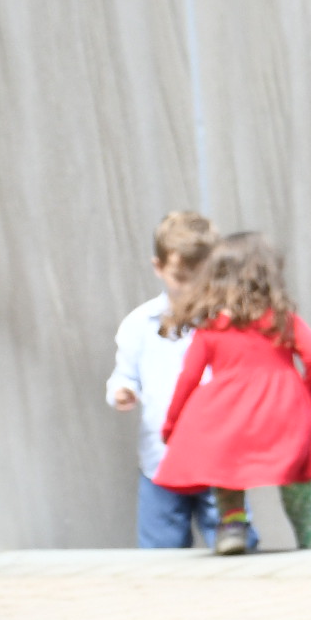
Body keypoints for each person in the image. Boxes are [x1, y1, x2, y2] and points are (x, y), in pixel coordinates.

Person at [156, 233, 311, 555]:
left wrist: (172, 425)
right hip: (284, 411)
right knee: (298, 490)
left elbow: (189, 377)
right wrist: (306, 399)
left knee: (225, 463)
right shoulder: (281, 318)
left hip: (229, 412)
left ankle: (233, 524)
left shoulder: (212, 327)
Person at [106, 209, 238, 548]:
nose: (191, 287)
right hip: (159, 462)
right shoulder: (140, 323)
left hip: (218, 463)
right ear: (159, 267)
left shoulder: (227, 321)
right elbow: (124, 375)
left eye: (201, 276)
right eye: (180, 277)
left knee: (236, 551)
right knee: (158, 560)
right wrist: (122, 391)